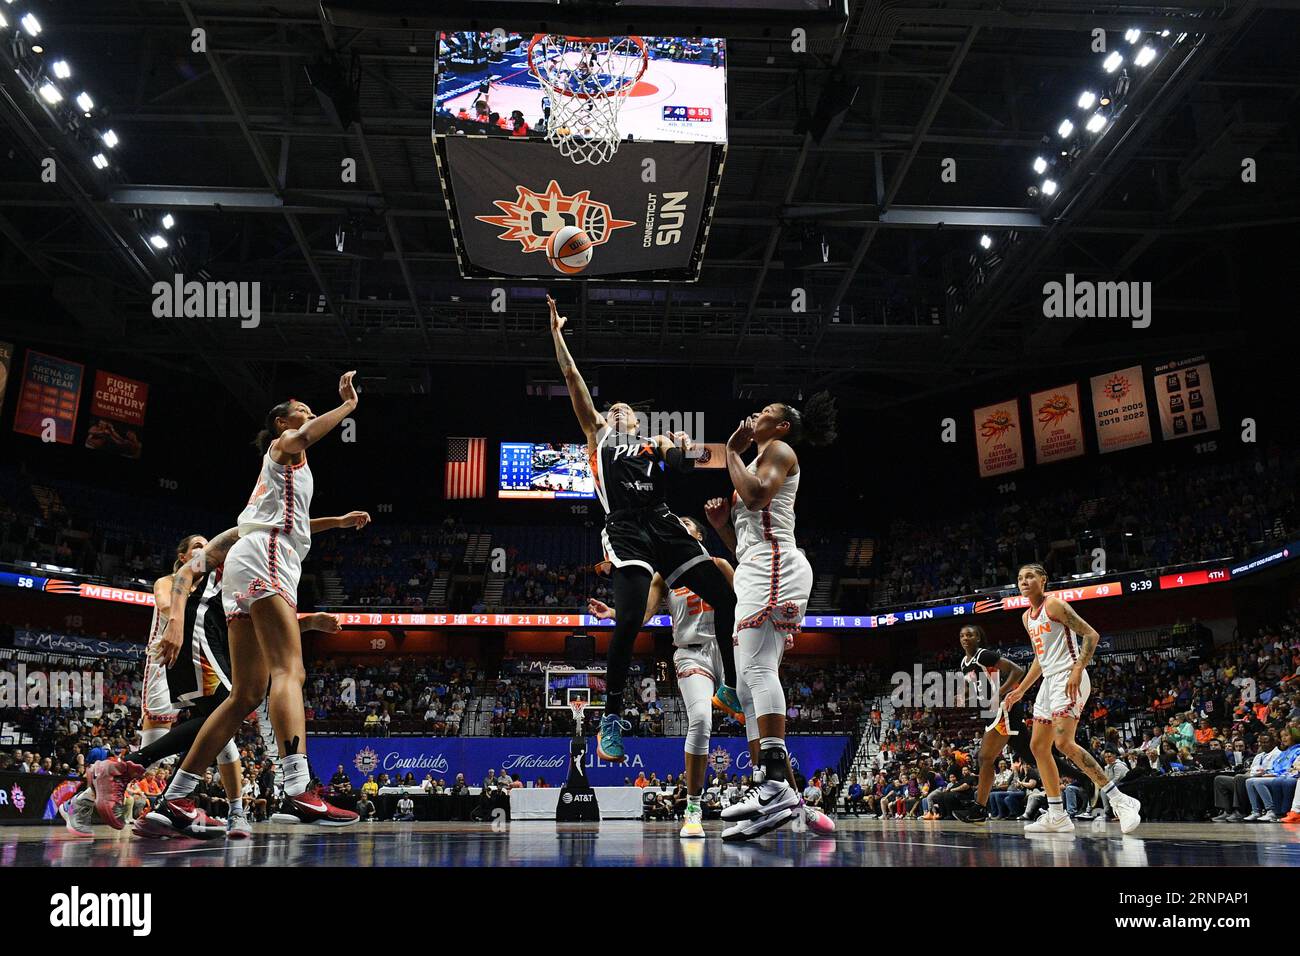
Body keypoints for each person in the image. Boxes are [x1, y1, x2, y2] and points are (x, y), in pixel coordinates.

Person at [149, 372, 369, 837]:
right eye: (301, 410)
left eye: (310, 410)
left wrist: (339, 522)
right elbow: (306, 435)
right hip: (269, 556)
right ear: (280, 423)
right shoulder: (286, 443)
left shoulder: (285, 476)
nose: (308, 414)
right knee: (290, 672)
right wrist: (347, 407)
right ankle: (298, 789)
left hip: (250, 560)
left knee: (245, 694)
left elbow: (297, 522)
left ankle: (176, 797)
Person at [548, 294, 743, 763]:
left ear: (637, 419)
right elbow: (573, 380)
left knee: (726, 596)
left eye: (623, 410)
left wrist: (680, 449)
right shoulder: (597, 434)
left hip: (663, 521)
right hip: (626, 529)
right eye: (611, 409)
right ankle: (611, 719)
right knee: (630, 619)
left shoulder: (651, 441)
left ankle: (732, 688)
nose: (616, 412)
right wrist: (557, 336)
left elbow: (683, 468)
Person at [706, 394, 838, 841]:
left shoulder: (779, 452)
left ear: (781, 428)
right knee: (745, 689)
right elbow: (744, 539)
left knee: (759, 671)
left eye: (766, 413)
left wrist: (729, 450)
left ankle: (776, 784)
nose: (757, 414)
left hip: (775, 563)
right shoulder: (758, 458)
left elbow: (759, 497)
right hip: (754, 566)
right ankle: (774, 797)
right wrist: (724, 526)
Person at [589, 515, 734, 839]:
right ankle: (693, 808)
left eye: (685, 523)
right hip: (692, 651)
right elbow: (644, 615)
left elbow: (745, 604)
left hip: (729, 651)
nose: (677, 525)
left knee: (757, 713)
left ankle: (771, 793)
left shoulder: (719, 565)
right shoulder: (663, 576)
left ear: (698, 535)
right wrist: (613, 613)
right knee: (701, 719)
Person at [1001, 563, 1142, 834]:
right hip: (1049, 681)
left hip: (1069, 676)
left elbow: (1091, 634)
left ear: (1044, 580)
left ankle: (1120, 800)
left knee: (1063, 743)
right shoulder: (1026, 617)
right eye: (1020, 578)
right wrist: (1020, 690)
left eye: (1030, 576)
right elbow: (1040, 661)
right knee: (1039, 747)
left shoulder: (1053, 605)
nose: (1024, 581)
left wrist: (1078, 669)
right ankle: (1057, 814)